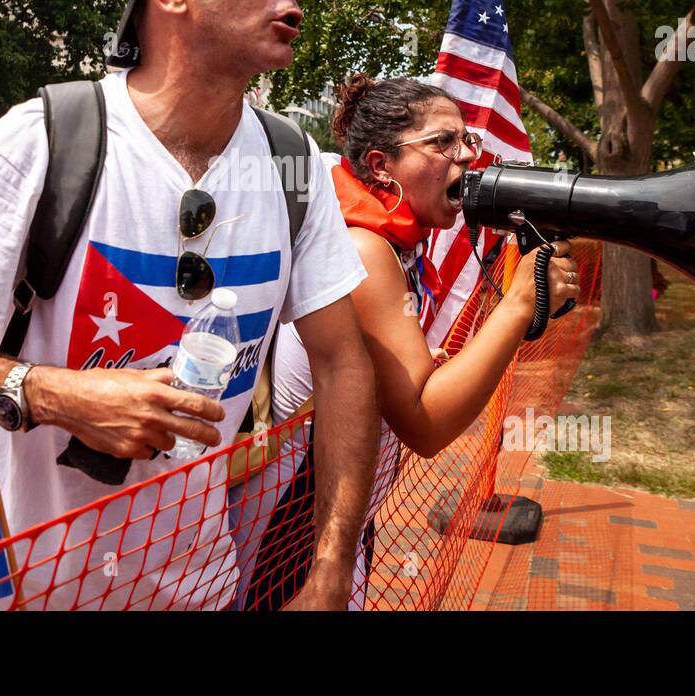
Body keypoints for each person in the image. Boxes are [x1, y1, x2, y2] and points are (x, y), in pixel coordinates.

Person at [0, 0, 381, 610]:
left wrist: (331, 569)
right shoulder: (45, 140)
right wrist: (48, 393)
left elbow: (343, 365)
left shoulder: (293, 162)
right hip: (17, 588)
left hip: (201, 588)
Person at [233, 74, 579, 610]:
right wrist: (516, 306)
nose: (466, 156)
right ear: (380, 166)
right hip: (289, 530)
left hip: (336, 520)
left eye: (468, 140)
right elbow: (426, 424)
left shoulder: (398, 244)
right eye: (443, 142)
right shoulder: (366, 249)